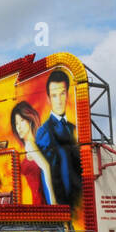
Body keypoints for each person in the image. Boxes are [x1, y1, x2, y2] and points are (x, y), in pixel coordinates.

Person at [35, 69, 82, 210]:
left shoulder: (74, 128)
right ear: (48, 99)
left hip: (78, 201)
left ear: (67, 94)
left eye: (62, 93)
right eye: (54, 96)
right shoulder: (43, 132)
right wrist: (54, 207)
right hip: (61, 206)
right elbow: (46, 173)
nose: (59, 100)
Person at [10, 101, 56, 205]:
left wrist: (53, 200)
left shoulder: (30, 145)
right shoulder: (31, 145)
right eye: (16, 123)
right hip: (37, 200)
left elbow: (46, 167)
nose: (19, 127)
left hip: (40, 201)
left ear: (30, 120)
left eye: (22, 121)